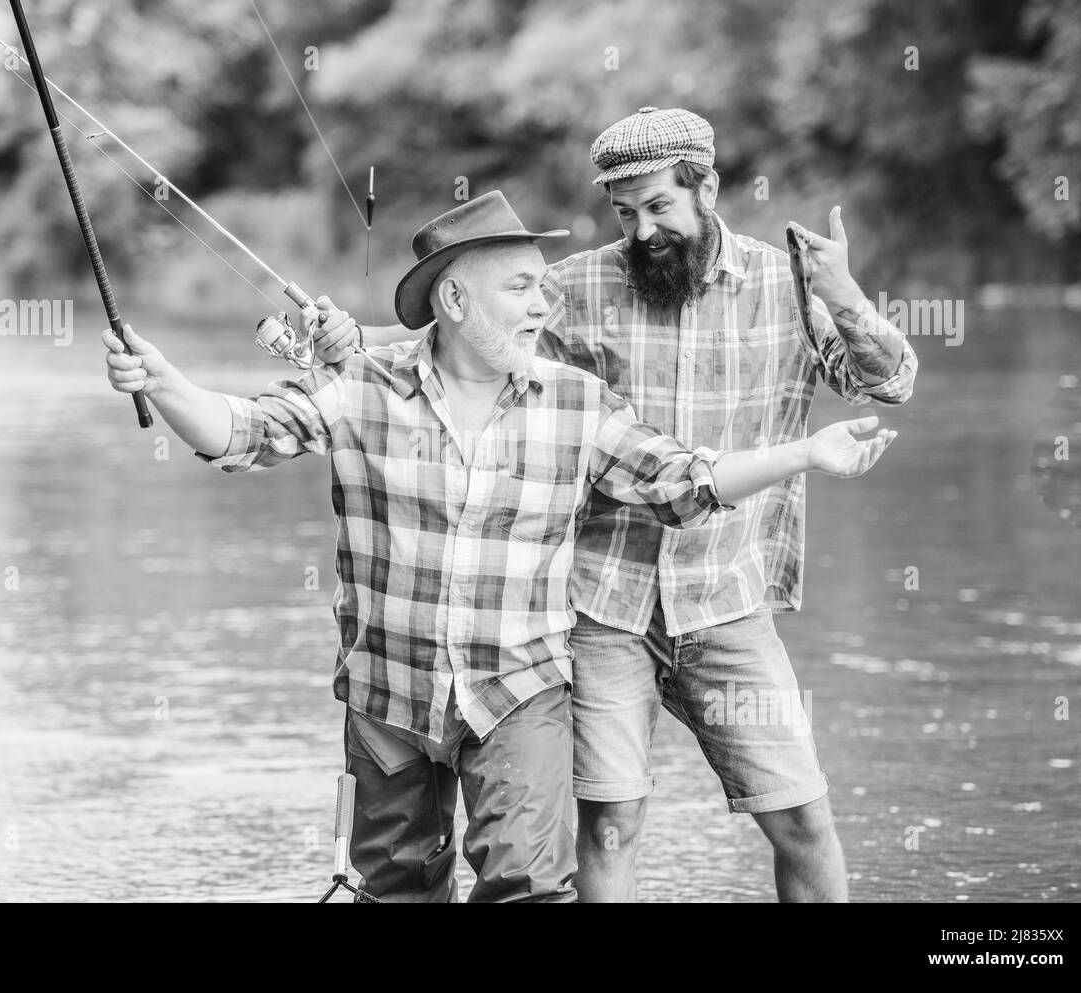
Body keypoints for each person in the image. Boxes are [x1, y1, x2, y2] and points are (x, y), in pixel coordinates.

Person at [104, 190, 897, 903]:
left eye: (543, 286)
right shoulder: (363, 390)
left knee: (525, 885)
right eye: (520, 288)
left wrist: (806, 454)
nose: (543, 306)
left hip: (519, 690)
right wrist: (165, 381)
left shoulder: (577, 403)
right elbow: (243, 433)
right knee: (395, 888)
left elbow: (687, 480)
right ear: (455, 299)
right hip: (390, 698)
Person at [313, 108, 918, 902]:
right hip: (599, 600)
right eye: (625, 212)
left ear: (706, 188)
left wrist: (844, 295)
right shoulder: (580, 285)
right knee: (606, 824)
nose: (641, 230)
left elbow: (891, 381)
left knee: (800, 816)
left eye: (659, 206)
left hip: (727, 595)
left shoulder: (786, 283)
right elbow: (467, 338)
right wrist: (345, 346)